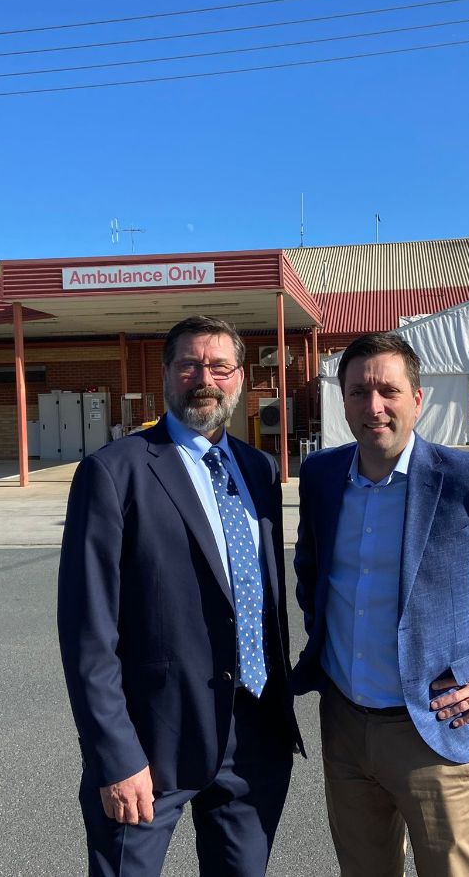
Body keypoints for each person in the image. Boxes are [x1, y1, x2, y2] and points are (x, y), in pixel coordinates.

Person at [291, 331, 469, 877]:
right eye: (358, 392)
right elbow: (312, 572)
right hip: (346, 727)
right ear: (343, 400)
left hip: (432, 730)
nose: (373, 406)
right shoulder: (321, 476)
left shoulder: (468, 480)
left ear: (417, 399)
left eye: (388, 391)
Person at [57, 316, 302, 876]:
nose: (204, 379)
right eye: (190, 364)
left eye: (220, 366)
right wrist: (114, 756)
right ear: (167, 373)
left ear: (239, 377)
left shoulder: (260, 470)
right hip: (151, 744)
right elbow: (87, 631)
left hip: (254, 735)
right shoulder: (113, 471)